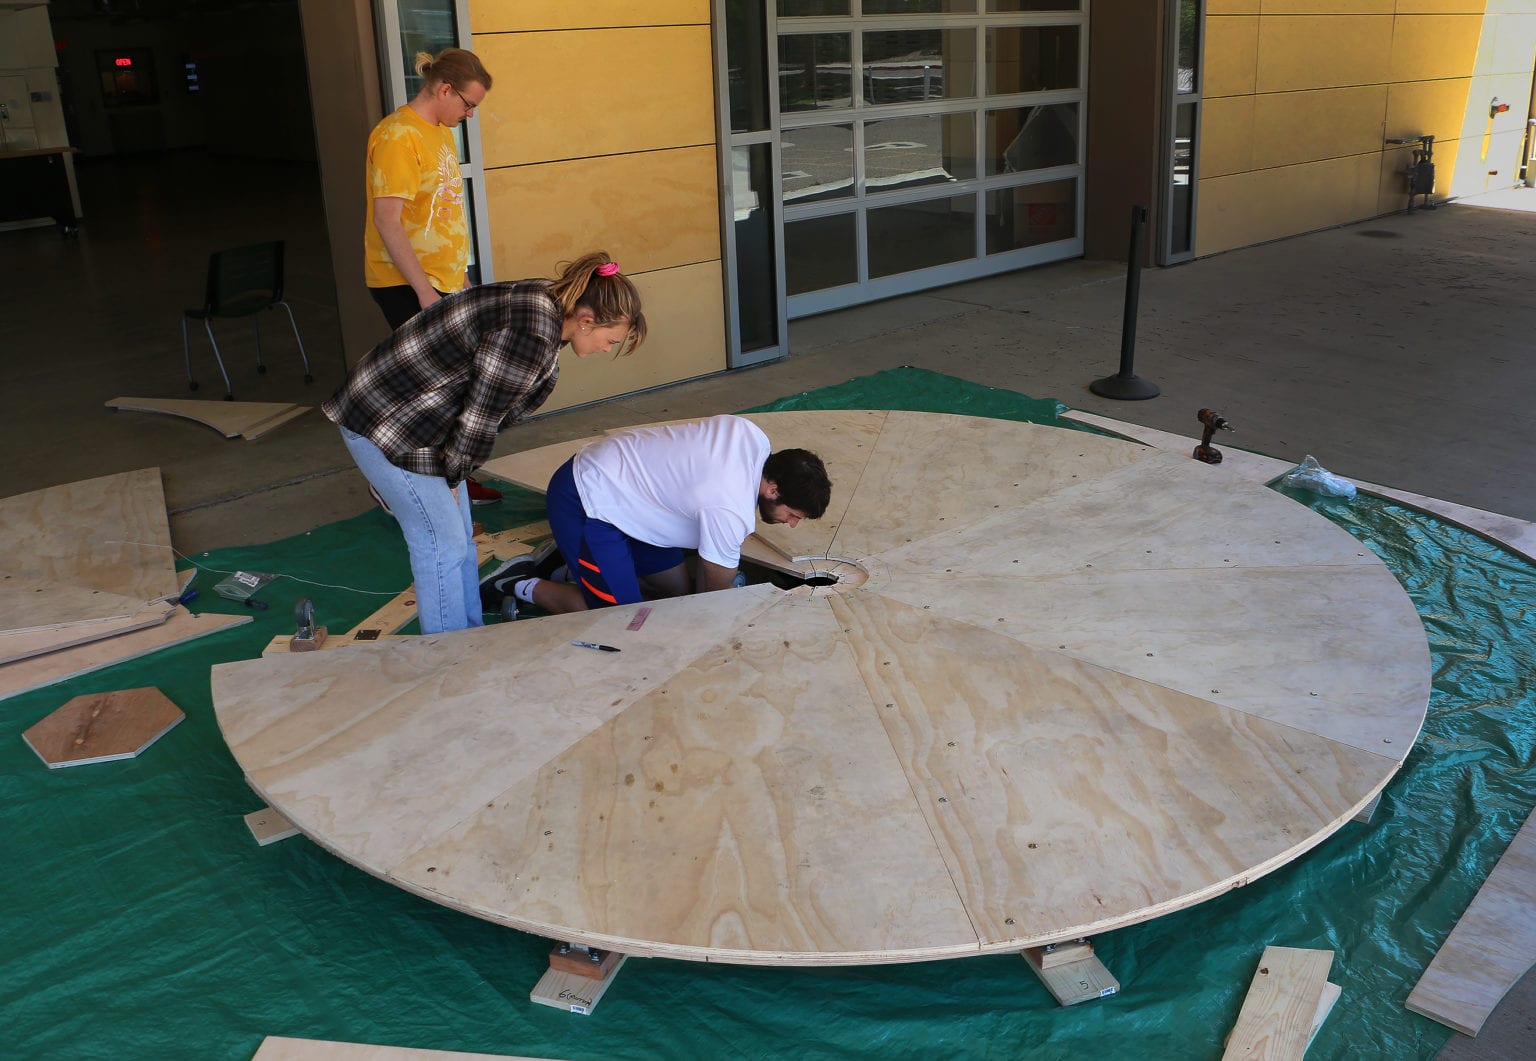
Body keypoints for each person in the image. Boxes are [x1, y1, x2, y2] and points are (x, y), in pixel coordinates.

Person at [323, 253, 646, 635]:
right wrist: (452, 477)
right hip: (384, 420)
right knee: (441, 544)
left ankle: (471, 638)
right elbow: (478, 421)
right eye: (609, 340)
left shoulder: (548, 302)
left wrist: (453, 475)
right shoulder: (530, 335)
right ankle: (446, 655)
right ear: (586, 320)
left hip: (421, 418)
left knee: (460, 541)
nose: (606, 349)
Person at [482, 415, 831, 617]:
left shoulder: (753, 438)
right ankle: (519, 583)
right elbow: (715, 590)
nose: (792, 523)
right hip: (586, 500)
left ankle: (569, 560)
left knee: (675, 590)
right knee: (621, 617)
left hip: (634, 498)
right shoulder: (729, 505)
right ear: (772, 490)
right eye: (793, 514)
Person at [363, 47, 502, 504]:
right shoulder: (397, 136)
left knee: (459, 384)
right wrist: (424, 291)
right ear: (445, 90)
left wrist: (460, 279)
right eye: (469, 105)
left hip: (443, 280)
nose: (469, 114)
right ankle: (395, 483)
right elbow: (388, 221)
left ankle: (453, 475)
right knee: (430, 389)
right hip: (406, 282)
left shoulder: (440, 132)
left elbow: (443, 216)